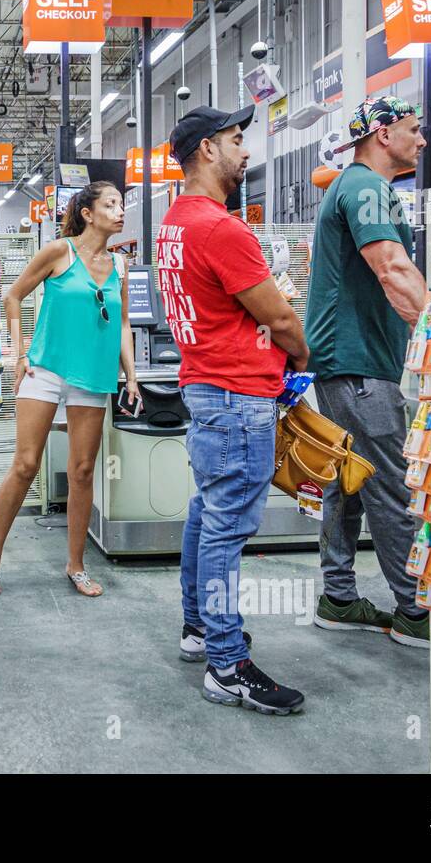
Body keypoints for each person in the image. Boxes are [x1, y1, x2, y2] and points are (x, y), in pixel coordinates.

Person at [157, 105, 310, 716]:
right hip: (238, 396)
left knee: (206, 512)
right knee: (226, 529)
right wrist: (299, 355)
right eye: (237, 140)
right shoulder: (221, 228)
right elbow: (278, 317)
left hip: (207, 390)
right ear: (206, 151)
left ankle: (199, 629)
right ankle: (226, 663)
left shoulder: (175, 222)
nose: (247, 151)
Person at [305, 95, 430, 648]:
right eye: (413, 128)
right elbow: (393, 268)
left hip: (347, 361)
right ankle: (414, 609)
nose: (422, 140)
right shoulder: (366, 188)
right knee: (389, 485)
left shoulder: (353, 188)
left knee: (349, 480)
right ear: (382, 133)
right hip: (359, 363)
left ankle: (336, 596)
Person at [0, 182, 140, 599]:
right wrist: (18, 353)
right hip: (46, 369)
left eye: (121, 204)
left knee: (83, 470)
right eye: (111, 204)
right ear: (87, 212)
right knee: (26, 464)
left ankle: (76, 564)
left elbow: (122, 325)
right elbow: (12, 297)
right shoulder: (59, 252)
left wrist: (132, 375)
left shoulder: (120, 266)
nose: (120, 211)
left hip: (95, 376)